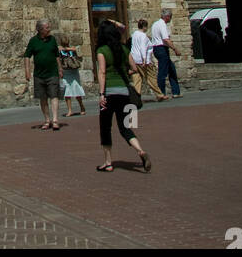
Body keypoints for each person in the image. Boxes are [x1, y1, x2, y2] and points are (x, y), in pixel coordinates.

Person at [96, 18, 150, 172]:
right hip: (126, 93)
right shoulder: (124, 49)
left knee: (105, 128)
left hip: (110, 93)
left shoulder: (102, 51)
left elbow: (102, 72)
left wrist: (101, 94)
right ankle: (140, 150)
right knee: (126, 127)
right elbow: (134, 68)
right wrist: (126, 72)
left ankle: (108, 162)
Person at [24, 19, 63, 130]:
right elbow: (27, 56)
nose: (49, 29)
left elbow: (56, 55)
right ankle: (47, 120)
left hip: (52, 73)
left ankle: (55, 120)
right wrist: (27, 71)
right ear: (40, 29)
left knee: (54, 96)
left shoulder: (52, 40)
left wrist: (60, 68)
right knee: (43, 98)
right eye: (47, 28)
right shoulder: (33, 41)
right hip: (39, 75)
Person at [130, 19, 166, 101]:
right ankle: (159, 94)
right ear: (144, 27)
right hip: (142, 60)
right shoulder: (143, 36)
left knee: (137, 78)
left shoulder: (135, 34)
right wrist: (144, 59)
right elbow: (143, 47)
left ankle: (136, 96)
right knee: (150, 77)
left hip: (134, 59)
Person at [150, 10, 181, 99]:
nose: (170, 19)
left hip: (156, 48)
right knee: (162, 72)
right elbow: (165, 39)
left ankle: (176, 91)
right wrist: (175, 49)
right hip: (161, 48)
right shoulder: (162, 25)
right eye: (170, 17)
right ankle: (161, 93)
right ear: (167, 17)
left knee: (171, 69)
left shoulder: (155, 24)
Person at [58, 34, 85, 116]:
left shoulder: (72, 49)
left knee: (76, 89)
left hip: (73, 71)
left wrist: (67, 49)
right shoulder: (60, 49)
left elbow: (79, 53)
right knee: (67, 91)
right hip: (66, 71)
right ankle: (70, 110)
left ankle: (81, 107)